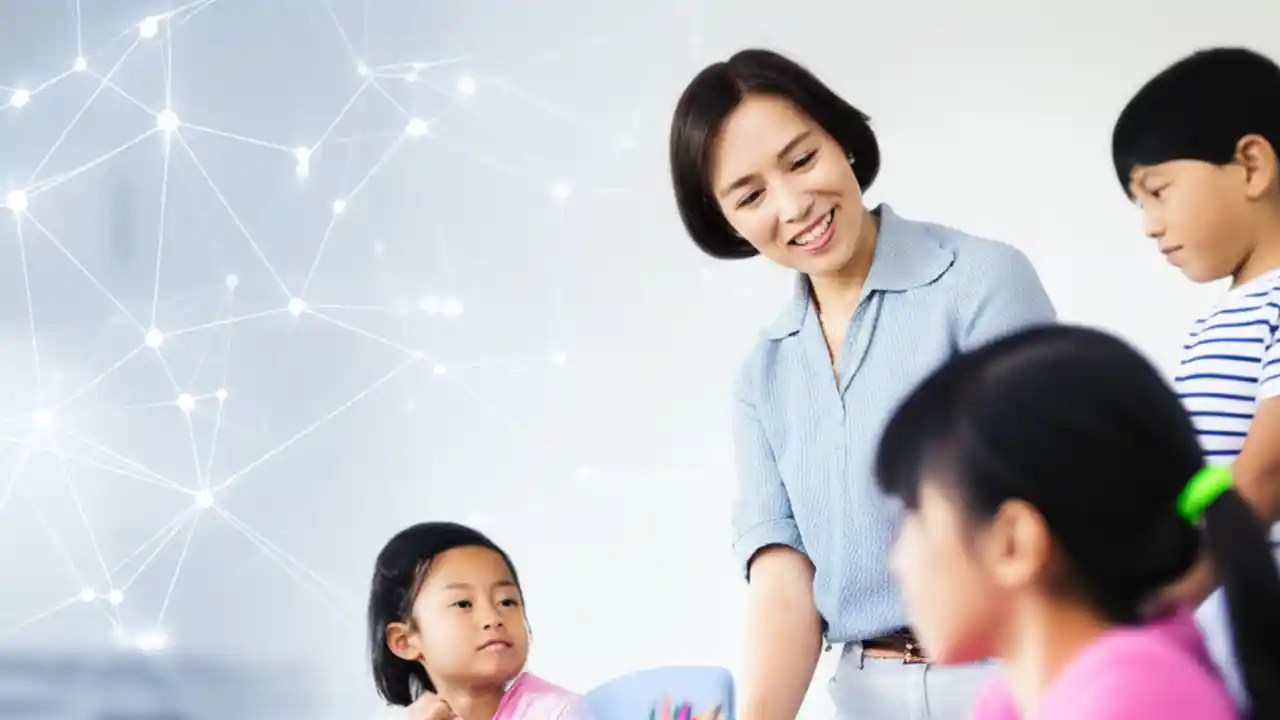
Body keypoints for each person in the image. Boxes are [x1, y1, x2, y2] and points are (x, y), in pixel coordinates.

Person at [668, 48, 1056, 719]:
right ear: (727, 220)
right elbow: (784, 587)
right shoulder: (762, 377)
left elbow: (1050, 502)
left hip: (1007, 674)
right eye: (751, 196)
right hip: (866, 692)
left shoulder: (979, 282)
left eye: (801, 160)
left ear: (841, 139)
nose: (794, 205)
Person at [874, 325, 1280, 719]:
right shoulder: (1017, 696)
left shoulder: (1137, 699)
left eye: (915, 516)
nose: (898, 559)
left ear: (1013, 542)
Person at [1111, 46, 1280, 709]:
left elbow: (1266, 474)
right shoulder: (1222, 318)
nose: (1149, 226)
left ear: (1252, 165)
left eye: (1158, 191)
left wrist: (1165, 596)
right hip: (1225, 623)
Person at [367, 522, 578, 720]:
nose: (493, 618)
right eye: (463, 604)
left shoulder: (564, 713)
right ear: (404, 642)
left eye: (506, 602)